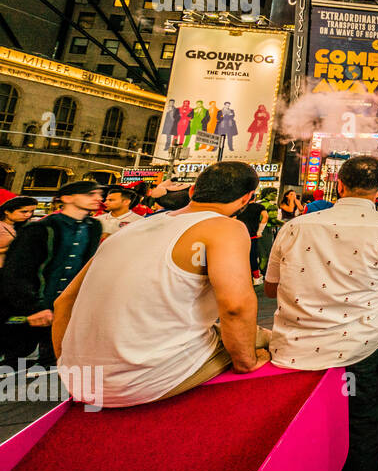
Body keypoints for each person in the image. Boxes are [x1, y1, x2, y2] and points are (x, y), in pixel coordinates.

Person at [263, 156, 378, 471]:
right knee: (365, 424)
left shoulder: (295, 227)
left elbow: (270, 287)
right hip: (364, 347)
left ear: (340, 185)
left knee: (313, 432)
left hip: (297, 352)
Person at [52, 164, 268, 406]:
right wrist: (247, 363)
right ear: (247, 198)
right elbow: (235, 307)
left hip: (79, 382)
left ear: (193, 190)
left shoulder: (130, 228)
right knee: (268, 342)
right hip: (147, 379)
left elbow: (63, 303)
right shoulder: (226, 227)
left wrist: (69, 368)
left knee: (249, 334)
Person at [2, 181, 103, 374]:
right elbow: (17, 271)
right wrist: (33, 306)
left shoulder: (93, 227)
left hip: (65, 308)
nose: (98, 198)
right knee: (15, 361)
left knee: (52, 364)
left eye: (99, 194)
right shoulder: (40, 229)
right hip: (33, 306)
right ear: (67, 198)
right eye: (91, 194)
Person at [234, 191, 268, 283]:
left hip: (240, 235)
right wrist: (259, 231)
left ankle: (240, 276)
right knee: (253, 256)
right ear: (254, 198)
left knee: (239, 256)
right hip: (253, 235)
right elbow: (265, 217)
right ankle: (256, 278)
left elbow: (233, 219)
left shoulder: (239, 207)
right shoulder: (259, 207)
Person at [0, 196, 37, 269]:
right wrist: (15, 247)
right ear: (7, 211)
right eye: (23, 211)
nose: (28, 215)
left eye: (31, 211)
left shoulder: (22, 226)